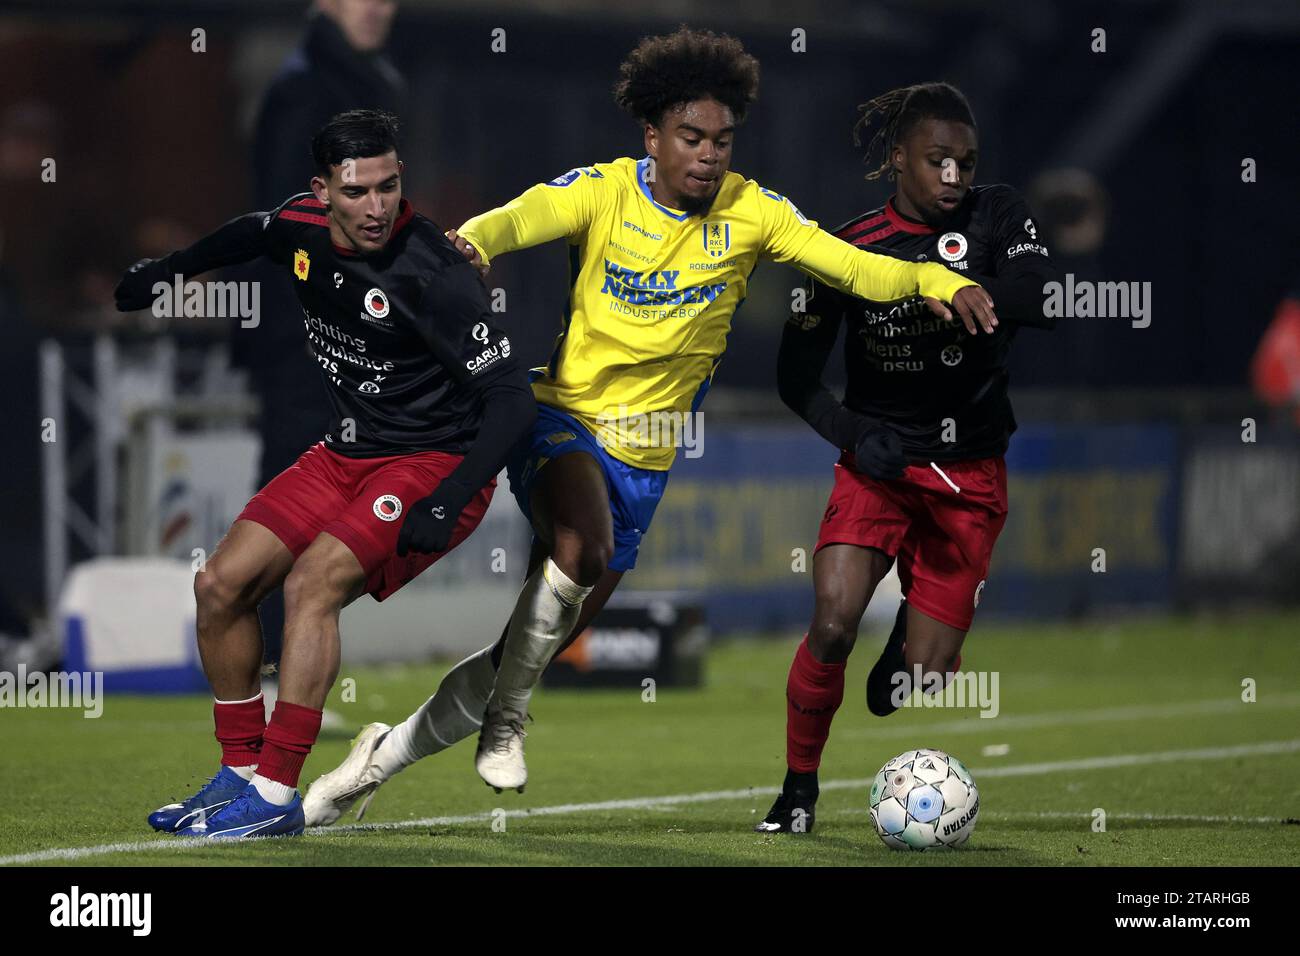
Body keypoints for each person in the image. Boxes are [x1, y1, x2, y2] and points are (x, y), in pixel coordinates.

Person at [303, 31, 994, 826]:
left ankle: (376, 762)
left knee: (521, 654)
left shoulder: (754, 212)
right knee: (578, 550)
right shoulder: (604, 192)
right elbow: (522, 213)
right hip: (561, 422)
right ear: (654, 138)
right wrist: (472, 243)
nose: (708, 157)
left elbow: (851, 265)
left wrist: (931, 278)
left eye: (722, 141)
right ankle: (506, 722)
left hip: (645, 466)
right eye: (692, 139)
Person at [113, 110, 534, 839]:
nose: (378, 208)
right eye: (358, 190)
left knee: (312, 585)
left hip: (431, 466)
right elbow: (254, 231)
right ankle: (239, 776)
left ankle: (276, 795)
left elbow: (510, 397)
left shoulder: (433, 272)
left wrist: (453, 495)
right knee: (219, 585)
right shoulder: (301, 224)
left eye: (390, 186)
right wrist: (170, 271)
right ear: (324, 191)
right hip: (345, 454)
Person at [755, 82, 1058, 834]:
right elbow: (795, 379)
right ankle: (796, 792)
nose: (953, 176)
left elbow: (1040, 293)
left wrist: (956, 288)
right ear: (898, 160)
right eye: (936, 160)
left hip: (969, 474)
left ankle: (911, 643)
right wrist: (854, 435)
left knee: (918, 677)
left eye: (964, 161)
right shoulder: (845, 249)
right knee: (831, 621)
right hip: (879, 465)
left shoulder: (997, 213)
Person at [242, 0, 404, 679]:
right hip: (305, 336)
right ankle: (267, 666)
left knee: (327, 500)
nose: (376, 8)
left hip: (354, 333)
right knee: (291, 498)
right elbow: (285, 224)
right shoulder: (303, 88)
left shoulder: (373, 83)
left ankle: (290, 664)